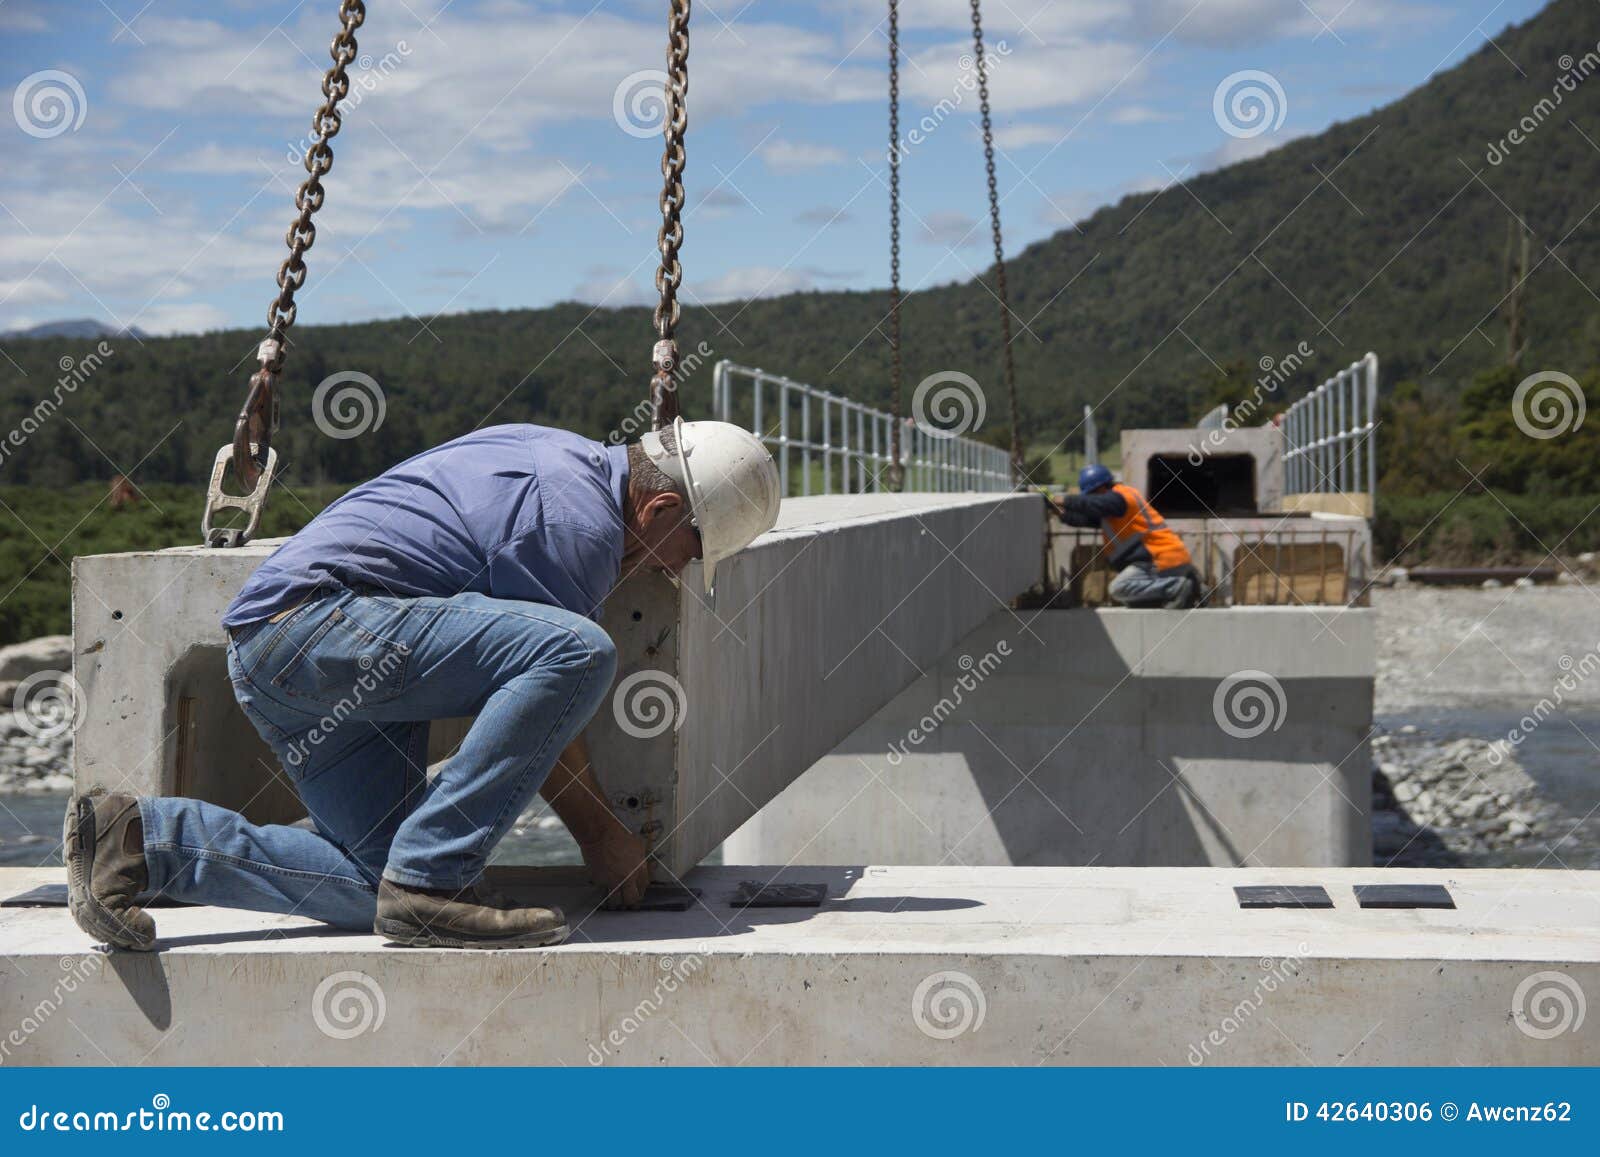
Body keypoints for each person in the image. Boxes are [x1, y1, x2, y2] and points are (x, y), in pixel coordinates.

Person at [64, 419, 780, 951]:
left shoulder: (553, 453)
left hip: (279, 656)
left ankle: (140, 838)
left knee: (369, 885)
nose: (678, 570)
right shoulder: (576, 523)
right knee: (582, 650)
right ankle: (434, 879)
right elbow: (554, 691)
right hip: (323, 632)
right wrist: (603, 837)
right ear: (656, 511)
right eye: (691, 549)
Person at [1052, 464, 1200, 609]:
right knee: (1134, 600)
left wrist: (1064, 500)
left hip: (1159, 558)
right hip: (1159, 559)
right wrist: (1061, 513)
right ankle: (1191, 587)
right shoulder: (1112, 510)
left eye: (1092, 494)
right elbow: (1085, 519)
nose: (1091, 499)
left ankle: (1178, 586)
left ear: (1102, 488)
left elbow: (1094, 504)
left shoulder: (1120, 498)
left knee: (1120, 588)